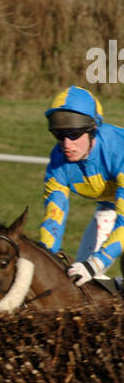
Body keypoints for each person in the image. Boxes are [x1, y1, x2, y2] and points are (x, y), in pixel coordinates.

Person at [38, 85, 124, 286]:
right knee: (80, 276)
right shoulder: (59, 161)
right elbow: (53, 218)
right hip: (109, 207)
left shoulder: (119, 151)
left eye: (74, 134)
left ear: (92, 129)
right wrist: (46, 259)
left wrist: (96, 263)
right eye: (60, 135)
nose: (67, 144)